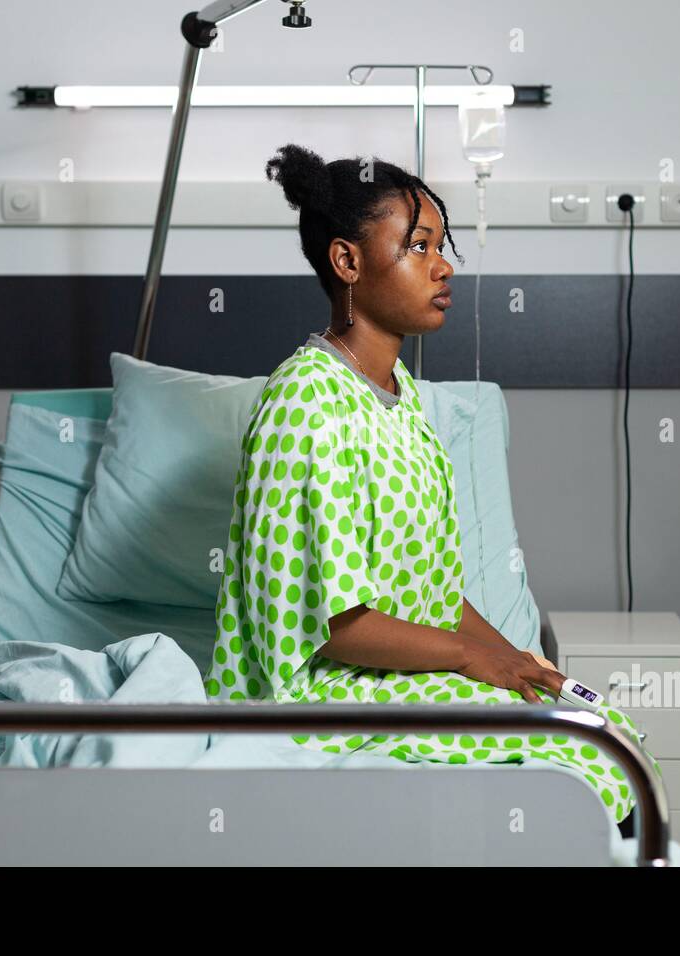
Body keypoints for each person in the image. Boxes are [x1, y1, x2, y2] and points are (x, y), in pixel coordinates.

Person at [204, 143, 655, 823]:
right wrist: (476, 661)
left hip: (401, 675)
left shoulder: (401, 397)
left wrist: (523, 663)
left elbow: (435, 595)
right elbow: (338, 627)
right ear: (347, 261)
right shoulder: (305, 405)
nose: (444, 267)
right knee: (583, 770)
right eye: (418, 247)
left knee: (605, 729)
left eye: (440, 247)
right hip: (320, 697)